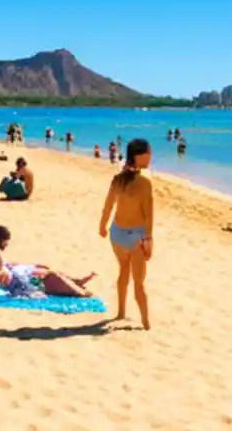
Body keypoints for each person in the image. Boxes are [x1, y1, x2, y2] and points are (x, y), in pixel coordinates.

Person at [99, 139, 154, 329]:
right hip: (136, 236)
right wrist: (149, 239)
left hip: (117, 233)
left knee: (123, 270)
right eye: (149, 153)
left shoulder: (118, 179)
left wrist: (102, 226)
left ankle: (121, 312)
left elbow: (108, 206)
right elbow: (149, 215)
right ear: (139, 156)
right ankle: (146, 323)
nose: (151, 156)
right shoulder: (145, 183)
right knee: (139, 282)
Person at [0, 226, 95, 302]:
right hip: (18, 282)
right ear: (0, 240)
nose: (7, 244)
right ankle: (80, 292)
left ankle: (75, 281)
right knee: (51, 275)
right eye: (6, 240)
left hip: (15, 274)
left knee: (43, 267)